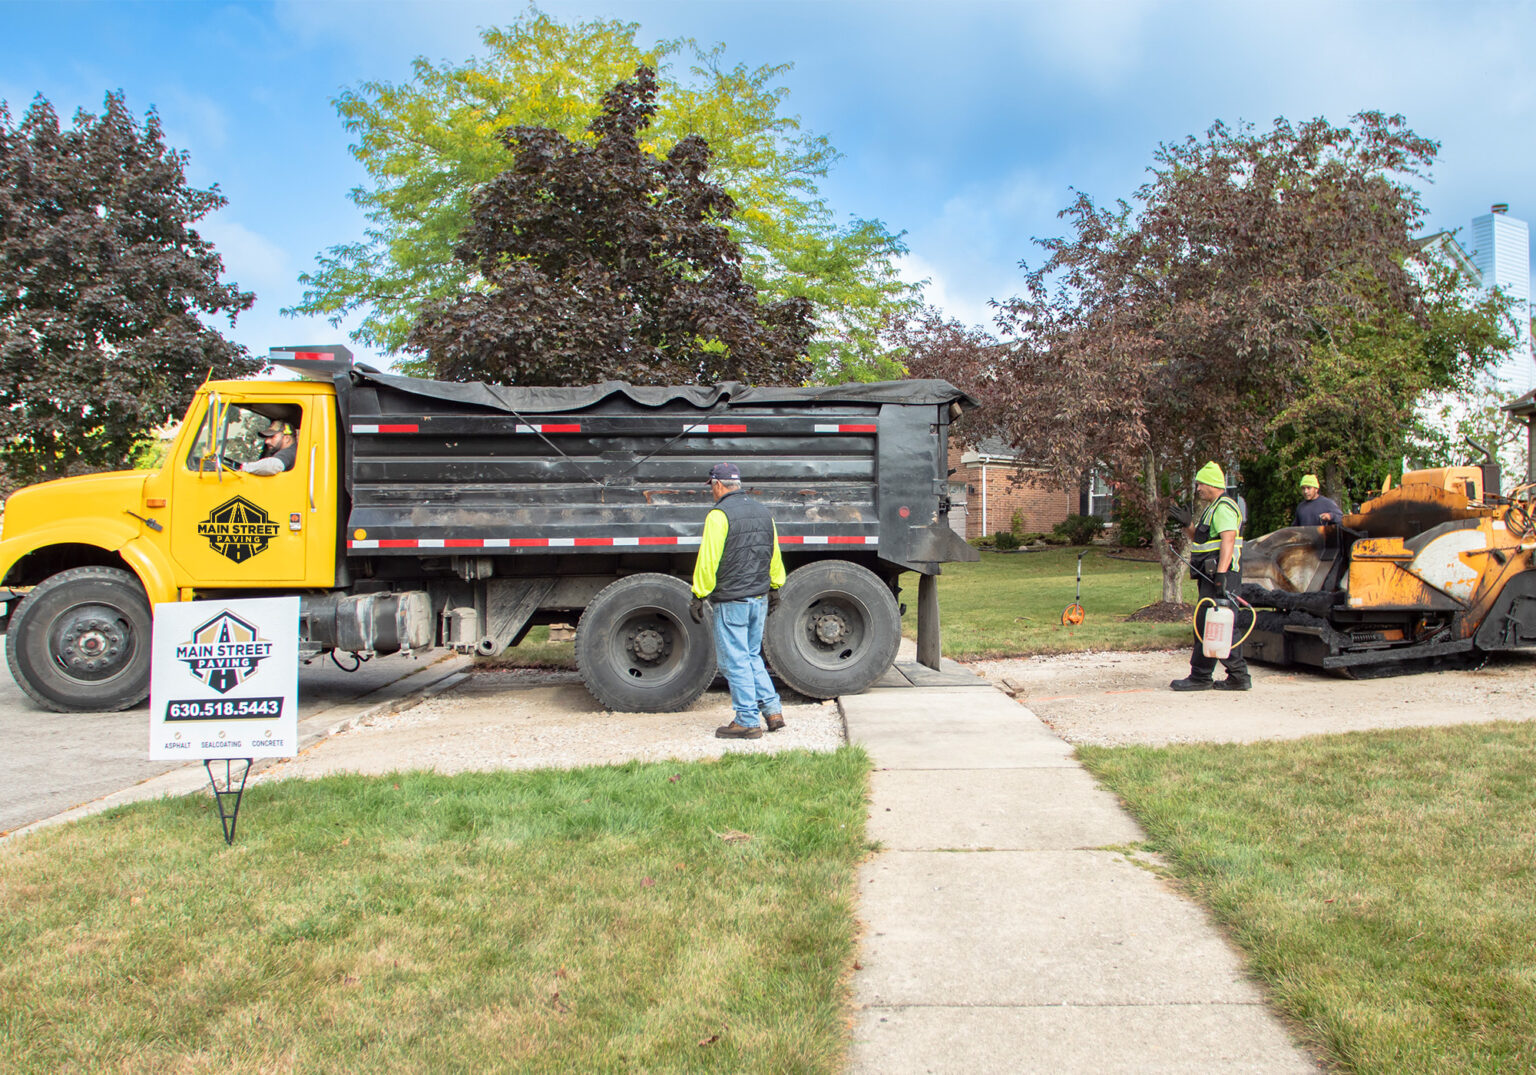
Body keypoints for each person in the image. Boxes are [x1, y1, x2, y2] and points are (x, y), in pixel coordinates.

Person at [690, 462, 787, 739]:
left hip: (733, 599)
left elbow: (709, 559)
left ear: (718, 484)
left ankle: (746, 720)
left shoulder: (718, 515)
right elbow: (774, 552)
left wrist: (699, 593)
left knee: (735, 661)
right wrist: (776, 585)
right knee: (751, 655)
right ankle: (772, 710)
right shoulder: (763, 512)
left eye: (712, 487)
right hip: (759, 597)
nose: (712, 492)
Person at [1171, 461, 1251, 692]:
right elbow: (1201, 539)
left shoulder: (1224, 508)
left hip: (1222, 576)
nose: (1197, 489)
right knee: (1209, 624)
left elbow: (1228, 541)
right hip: (1210, 576)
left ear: (1212, 484)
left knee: (1219, 626)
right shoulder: (1212, 508)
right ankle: (1228, 676)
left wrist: (1222, 575)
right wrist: (1187, 525)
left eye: (1200, 484)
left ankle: (1208, 676)